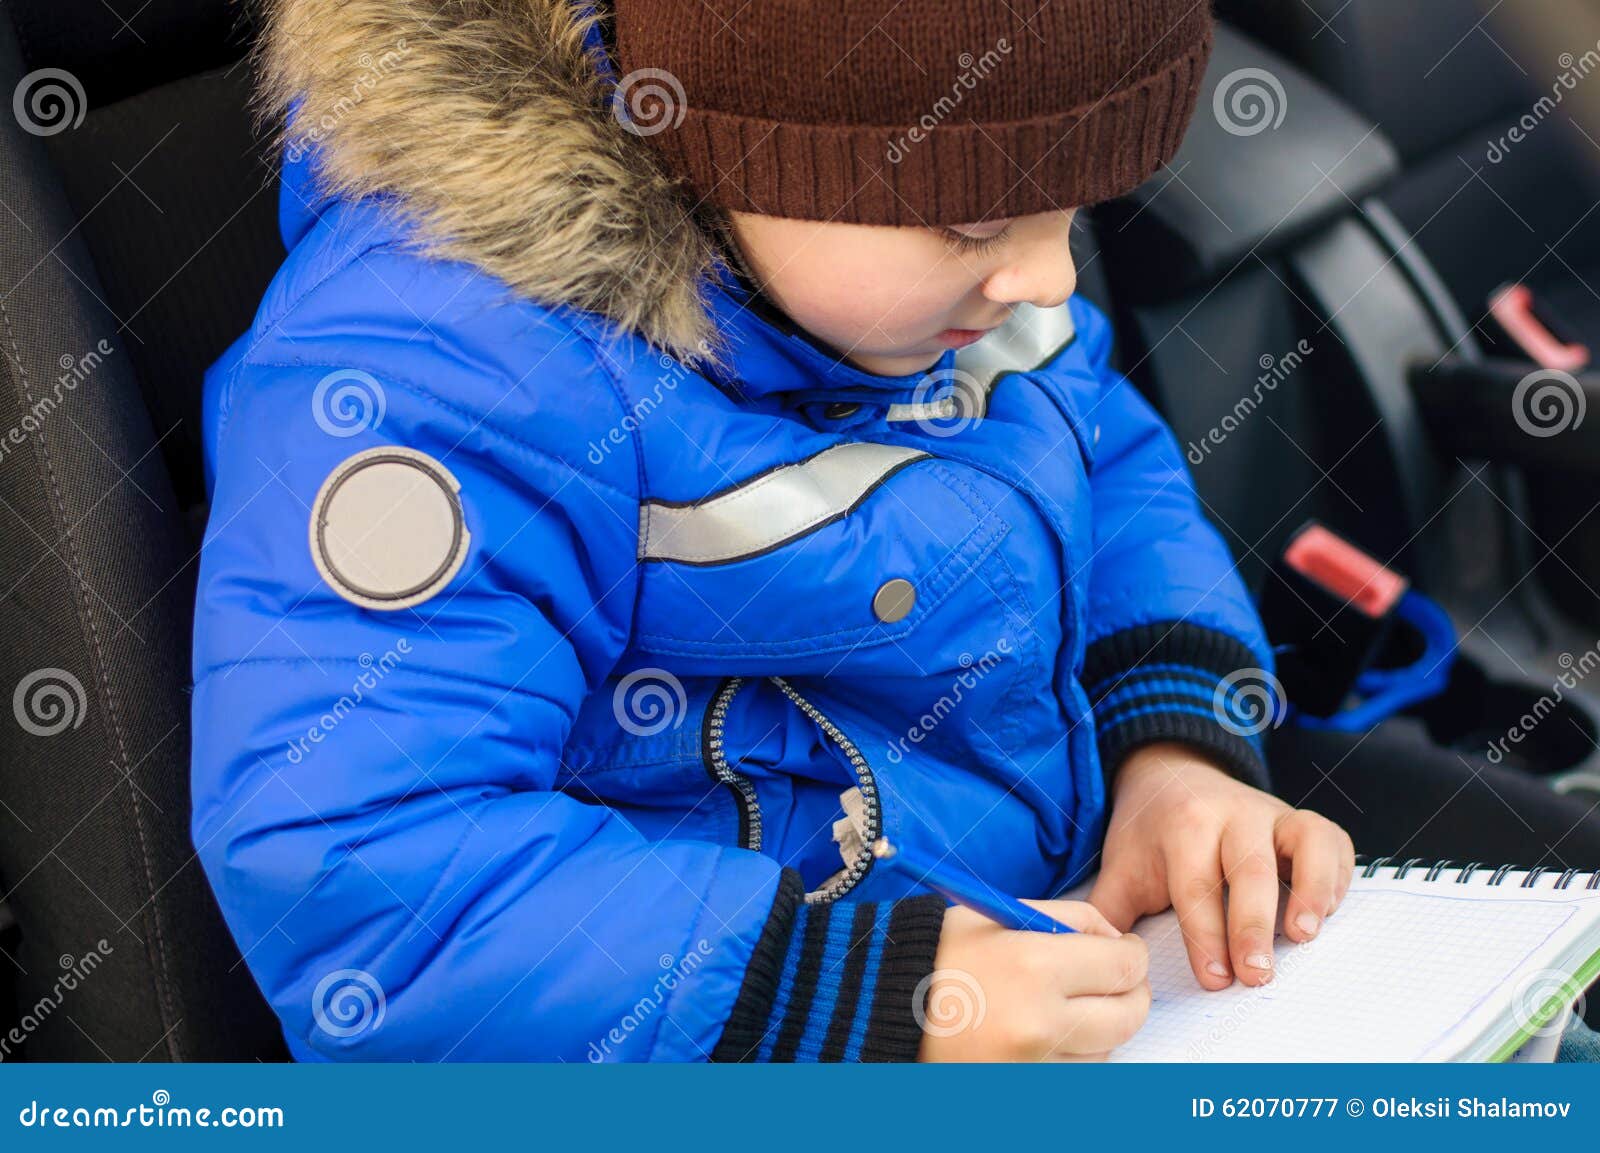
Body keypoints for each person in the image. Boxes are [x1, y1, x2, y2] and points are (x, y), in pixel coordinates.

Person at [188, 0, 1568, 1064]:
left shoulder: (930, 281)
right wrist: (870, 1000)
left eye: (1076, 206)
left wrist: (1173, 751)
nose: (1046, 275)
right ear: (726, 142)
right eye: (976, 220)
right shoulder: (438, 385)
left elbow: (1111, 461)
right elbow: (371, 866)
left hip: (1065, 915)